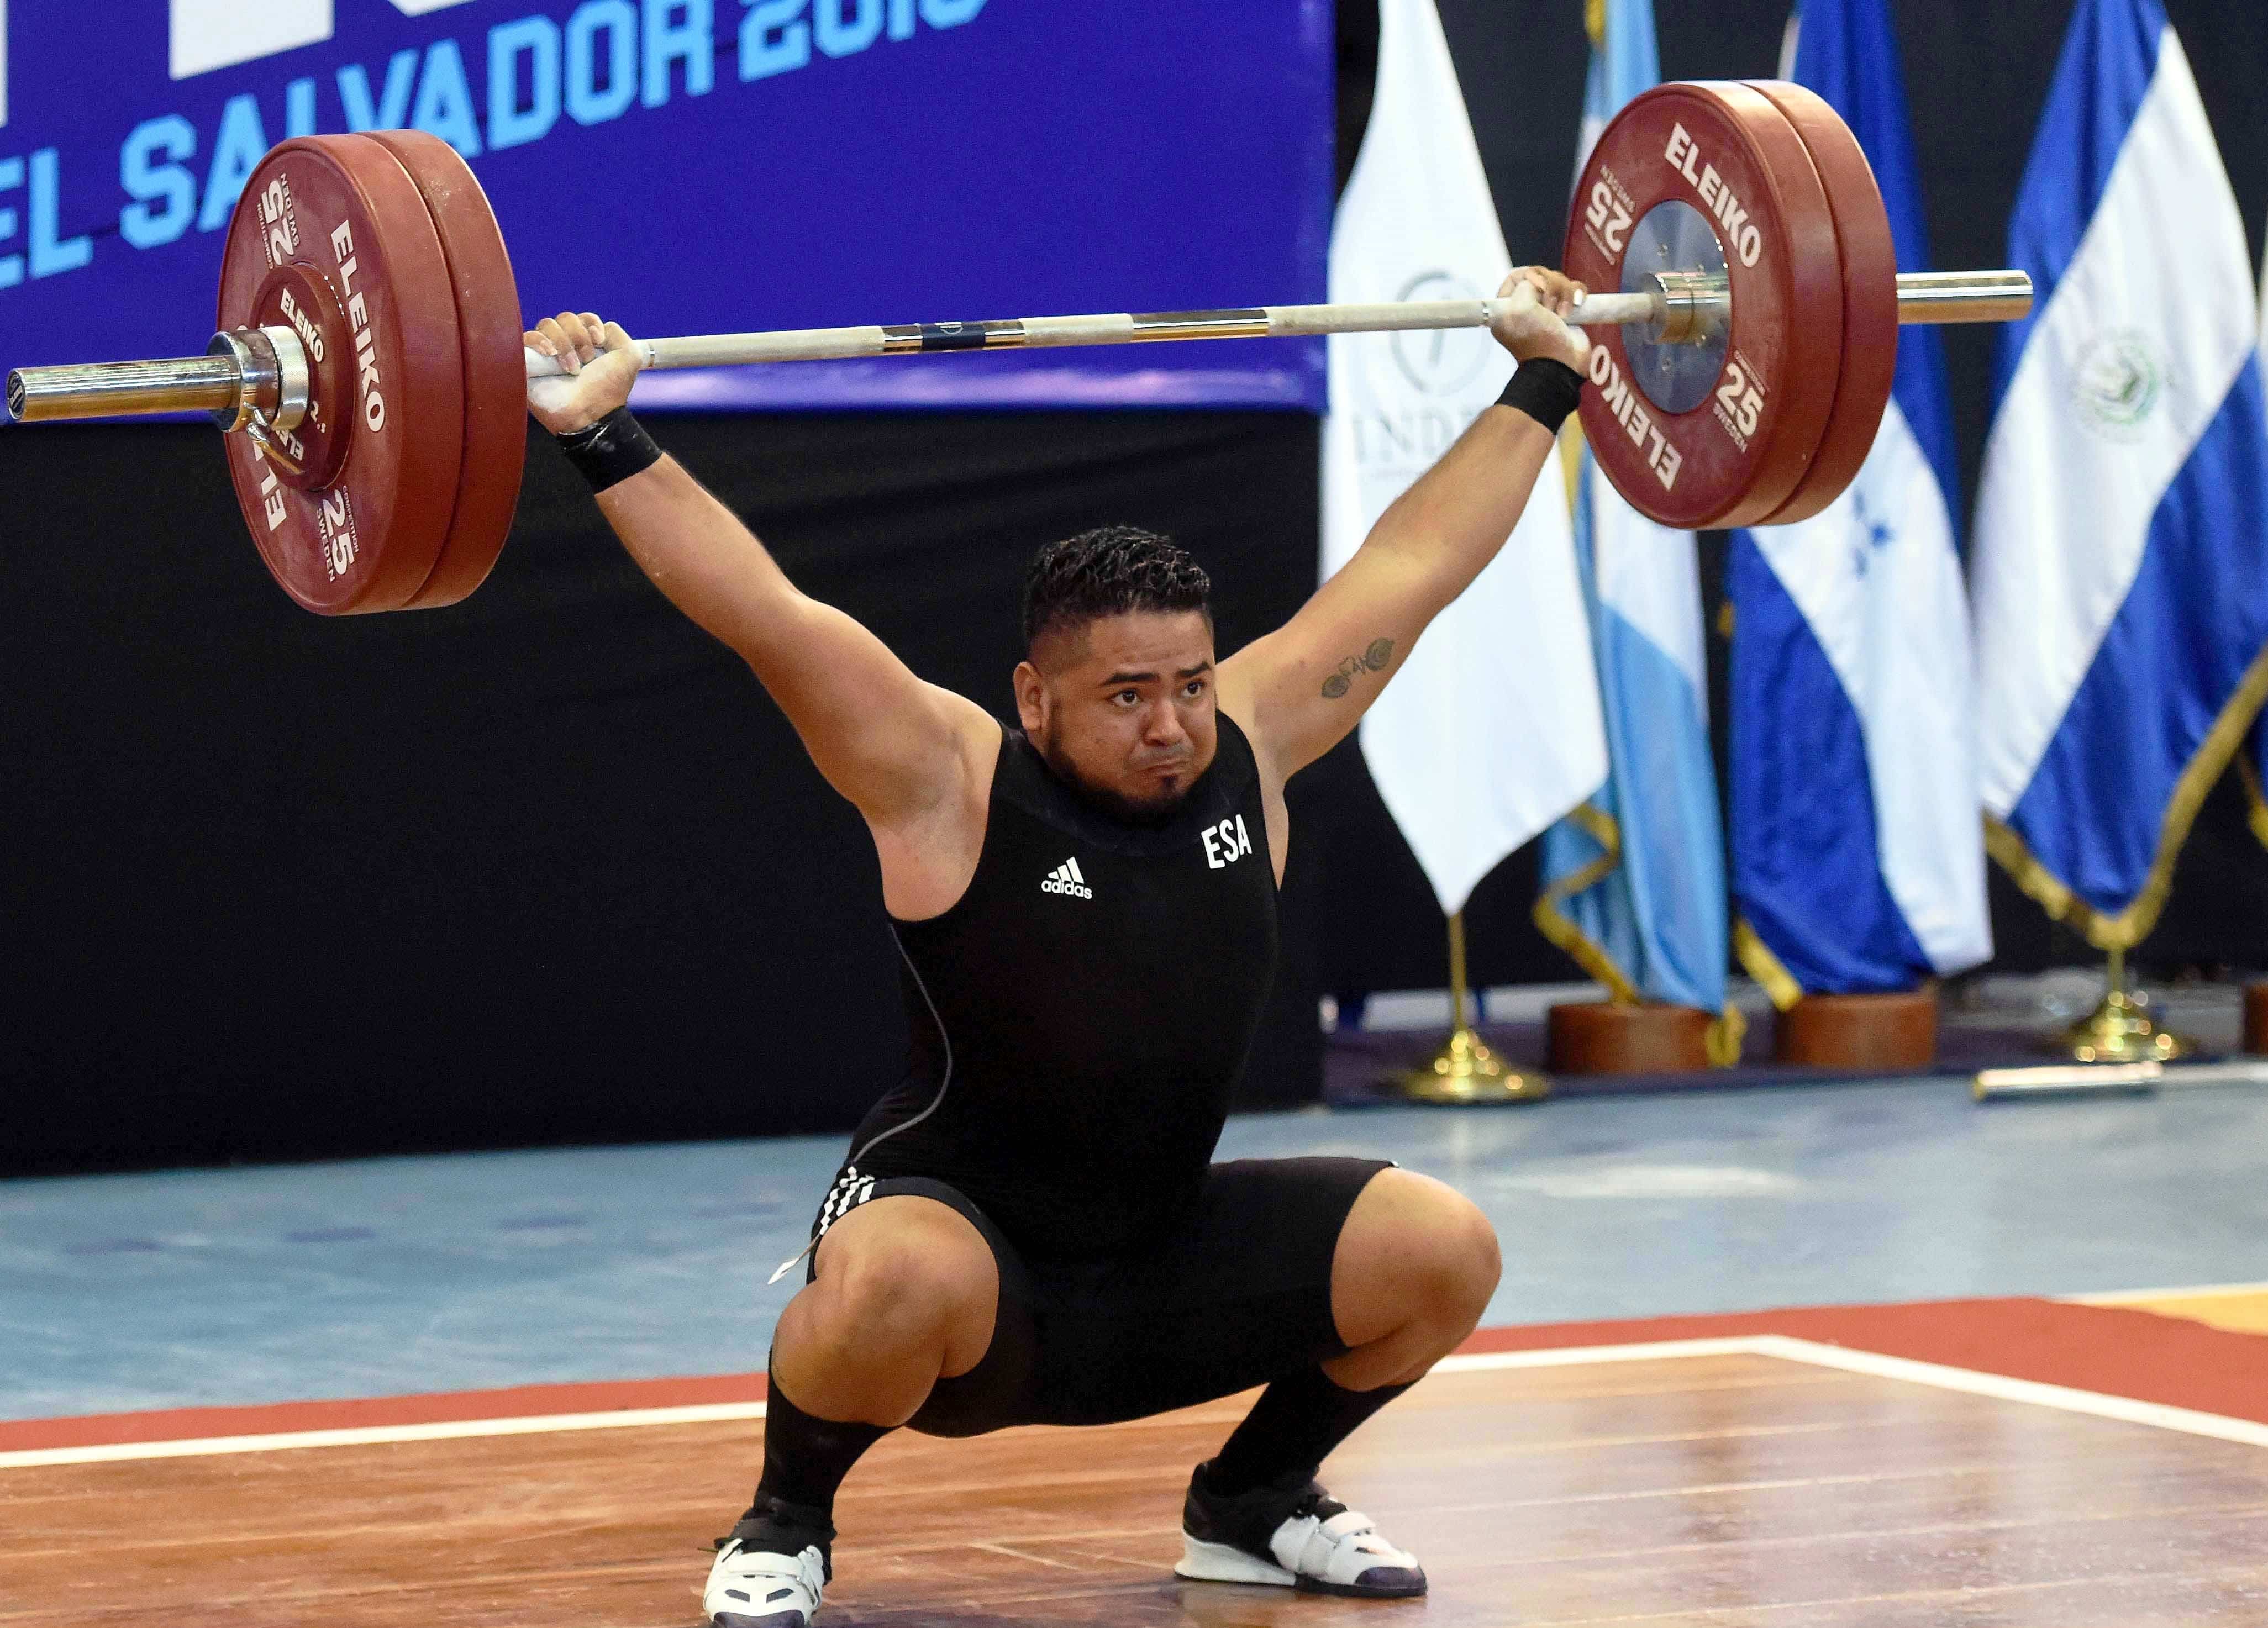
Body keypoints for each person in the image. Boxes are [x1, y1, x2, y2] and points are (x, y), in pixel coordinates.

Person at [524, 268, 1591, 1626]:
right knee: (899, 1278)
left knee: (1442, 1246)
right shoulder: (947, 781)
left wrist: (1545, 378)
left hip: (1154, 1256)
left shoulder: (1251, 745)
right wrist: (600, 433)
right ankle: (787, 1518)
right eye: (1125, 695)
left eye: (1190, 685)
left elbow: (1414, 566)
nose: (1171, 724)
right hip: (966, 1276)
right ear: (1034, 697)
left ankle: (1252, 1501)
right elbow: (768, 617)